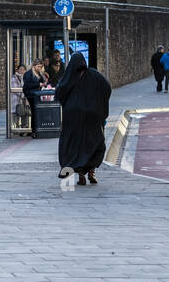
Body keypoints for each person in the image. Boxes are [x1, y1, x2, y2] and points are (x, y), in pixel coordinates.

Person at [55, 52, 112, 187]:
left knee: (74, 146)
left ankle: (81, 175)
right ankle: (91, 172)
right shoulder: (94, 75)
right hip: (92, 116)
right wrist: (99, 104)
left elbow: (60, 92)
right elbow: (107, 87)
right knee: (95, 144)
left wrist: (69, 103)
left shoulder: (69, 76)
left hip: (73, 117)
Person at [23, 60, 46, 138]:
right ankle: (34, 131)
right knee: (34, 112)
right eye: (38, 66)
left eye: (41, 66)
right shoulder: (28, 74)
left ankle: (37, 130)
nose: (40, 68)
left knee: (37, 113)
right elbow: (26, 85)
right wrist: (38, 84)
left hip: (38, 95)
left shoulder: (39, 73)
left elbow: (42, 82)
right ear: (34, 66)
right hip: (31, 95)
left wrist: (43, 80)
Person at [10, 63, 27, 133]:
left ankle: (23, 128)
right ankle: (15, 129)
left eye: (23, 70)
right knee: (16, 114)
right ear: (18, 70)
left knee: (24, 113)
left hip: (23, 100)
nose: (22, 71)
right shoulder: (14, 77)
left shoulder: (25, 77)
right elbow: (15, 88)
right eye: (20, 69)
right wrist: (23, 95)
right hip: (16, 99)